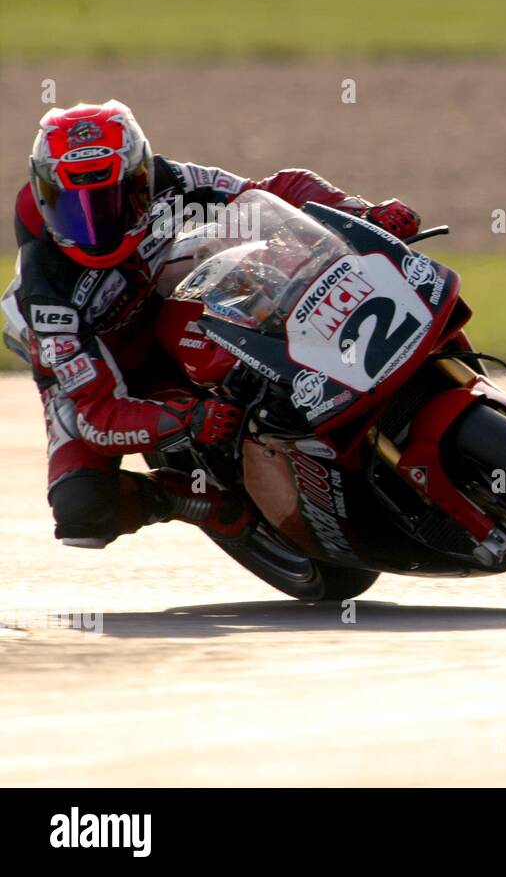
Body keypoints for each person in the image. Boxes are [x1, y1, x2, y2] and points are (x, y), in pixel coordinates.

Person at [10, 100, 421, 548]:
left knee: (270, 260)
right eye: (72, 208)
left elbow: (271, 191)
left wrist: (357, 212)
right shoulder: (46, 292)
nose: (95, 225)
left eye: (110, 201)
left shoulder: (171, 181)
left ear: (141, 179)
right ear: (45, 195)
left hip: (160, 294)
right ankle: (186, 502)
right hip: (99, 369)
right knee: (82, 514)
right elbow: (99, 419)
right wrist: (192, 417)